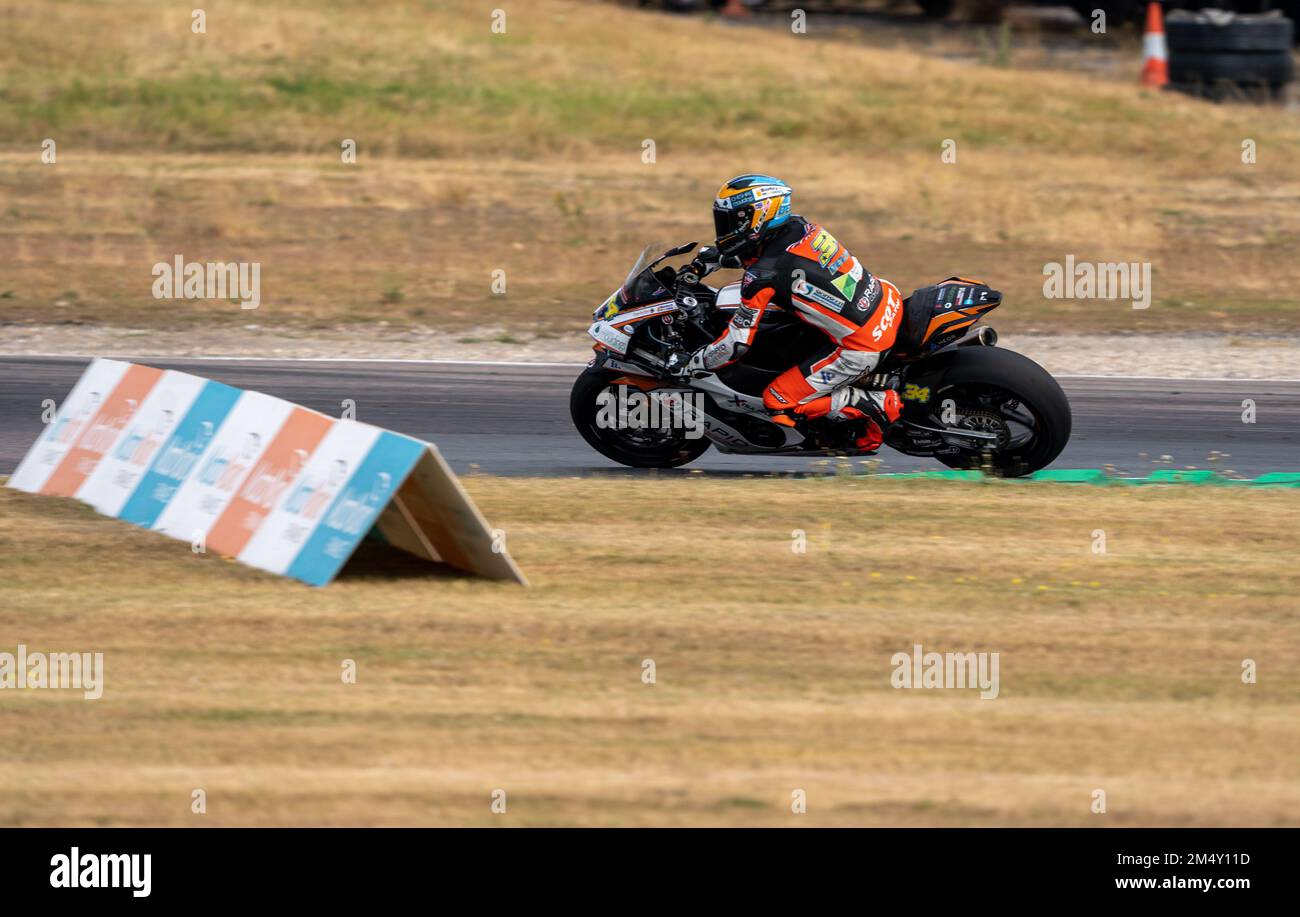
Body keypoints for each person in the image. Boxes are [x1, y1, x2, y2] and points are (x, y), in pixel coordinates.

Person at [670, 174, 904, 453]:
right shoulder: (799, 226)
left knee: (777, 399)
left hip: (861, 345)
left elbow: (736, 345)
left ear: (761, 215)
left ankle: (873, 403)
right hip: (885, 300)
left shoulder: (763, 276)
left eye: (735, 220)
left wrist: (692, 365)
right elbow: (760, 254)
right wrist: (710, 261)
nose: (727, 227)